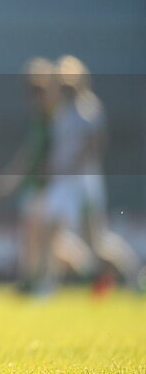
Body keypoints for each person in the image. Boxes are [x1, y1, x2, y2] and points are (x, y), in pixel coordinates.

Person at [41, 55, 142, 294]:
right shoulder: (60, 111)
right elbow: (57, 146)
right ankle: (45, 286)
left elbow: (93, 146)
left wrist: (71, 167)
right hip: (62, 182)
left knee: (96, 241)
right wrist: (51, 167)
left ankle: (135, 272)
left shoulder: (89, 109)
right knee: (50, 231)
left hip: (82, 182)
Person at [0, 57, 57, 293]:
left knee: (41, 237)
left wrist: (12, 178)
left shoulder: (52, 118)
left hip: (47, 185)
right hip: (37, 184)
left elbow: (35, 155)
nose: (33, 98)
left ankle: (37, 283)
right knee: (41, 237)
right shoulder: (42, 119)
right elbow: (29, 153)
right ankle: (34, 282)